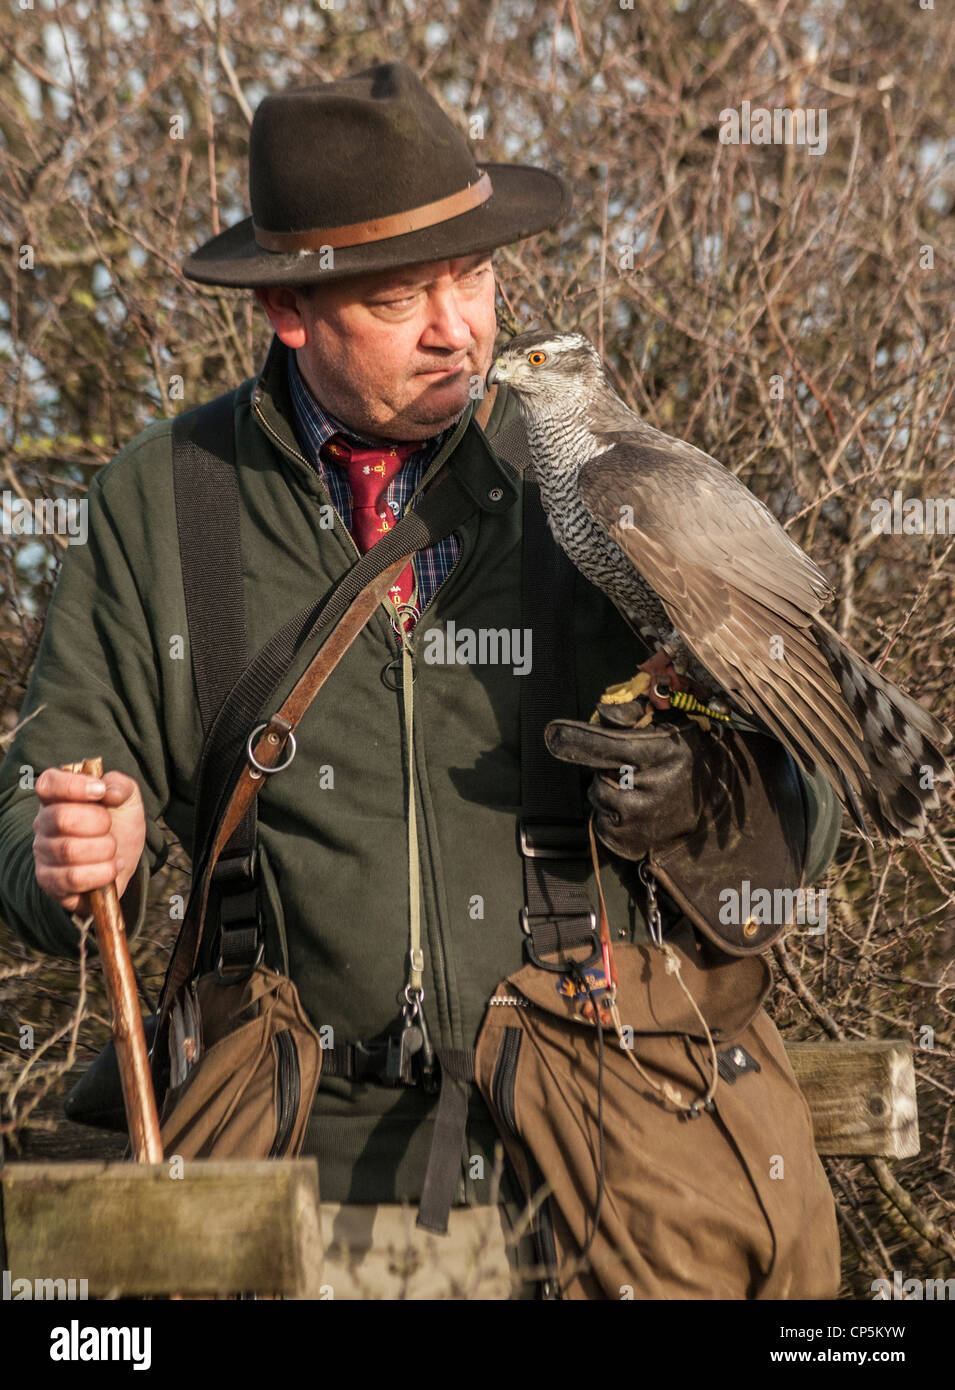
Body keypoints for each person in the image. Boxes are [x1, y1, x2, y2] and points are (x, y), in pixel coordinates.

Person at [0, 62, 843, 1299]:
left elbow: (810, 809)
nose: (461, 326)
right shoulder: (163, 503)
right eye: (402, 298)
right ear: (289, 307)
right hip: (289, 1182)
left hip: (619, 1169)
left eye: (477, 276)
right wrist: (74, 847)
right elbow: (32, 818)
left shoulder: (604, 481)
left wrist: (699, 811)